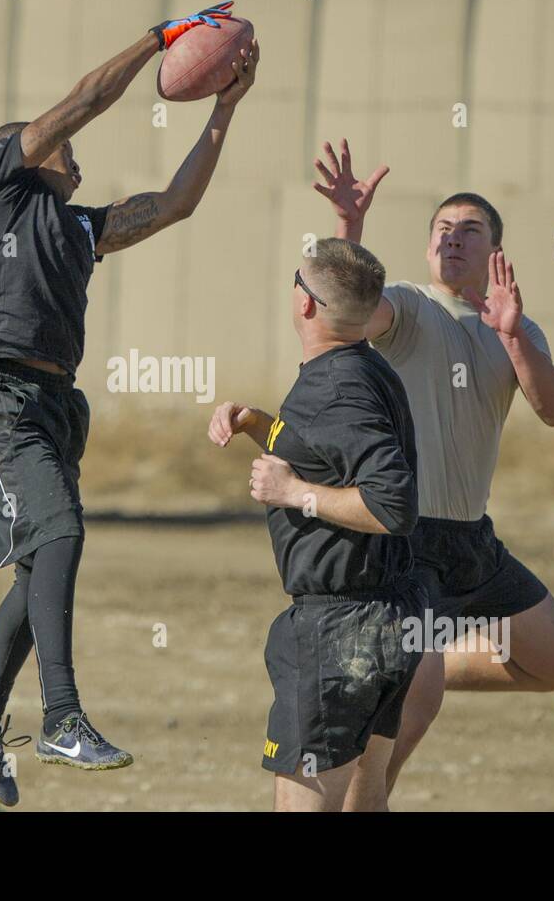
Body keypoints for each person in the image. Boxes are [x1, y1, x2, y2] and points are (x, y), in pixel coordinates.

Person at [0, 1, 259, 808]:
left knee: (40, 564)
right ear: (25, 153)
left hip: (53, 403)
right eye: (67, 153)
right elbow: (84, 97)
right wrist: (165, 38)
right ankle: (61, 716)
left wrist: (223, 108)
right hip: (2, 395)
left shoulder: (79, 228)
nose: (77, 163)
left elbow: (177, 201)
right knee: (64, 534)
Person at [313, 139, 554, 800]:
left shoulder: (514, 328)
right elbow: (341, 314)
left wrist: (515, 335)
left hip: (470, 541)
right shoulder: (407, 306)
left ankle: (430, 661)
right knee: (403, 727)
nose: (452, 238)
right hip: (404, 542)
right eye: (442, 228)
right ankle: (413, 676)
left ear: (494, 251)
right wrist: (350, 229)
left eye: (470, 230)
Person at [208, 238, 425, 812]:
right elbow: (328, 451)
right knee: (364, 798)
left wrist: (293, 492)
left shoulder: (335, 387)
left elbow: (390, 504)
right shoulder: (363, 369)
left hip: (341, 627)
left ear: (304, 303)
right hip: (387, 614)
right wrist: (258, 424)